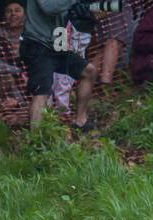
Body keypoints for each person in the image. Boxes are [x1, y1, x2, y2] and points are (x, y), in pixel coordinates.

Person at [20, 0, 98, 128]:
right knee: (42, 91)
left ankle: (81, 123)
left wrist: (88, 14)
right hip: (36, 44)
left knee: (89, 72)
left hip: (56, 46)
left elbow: (78, 24)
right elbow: (49, 8)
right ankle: (36, 141)